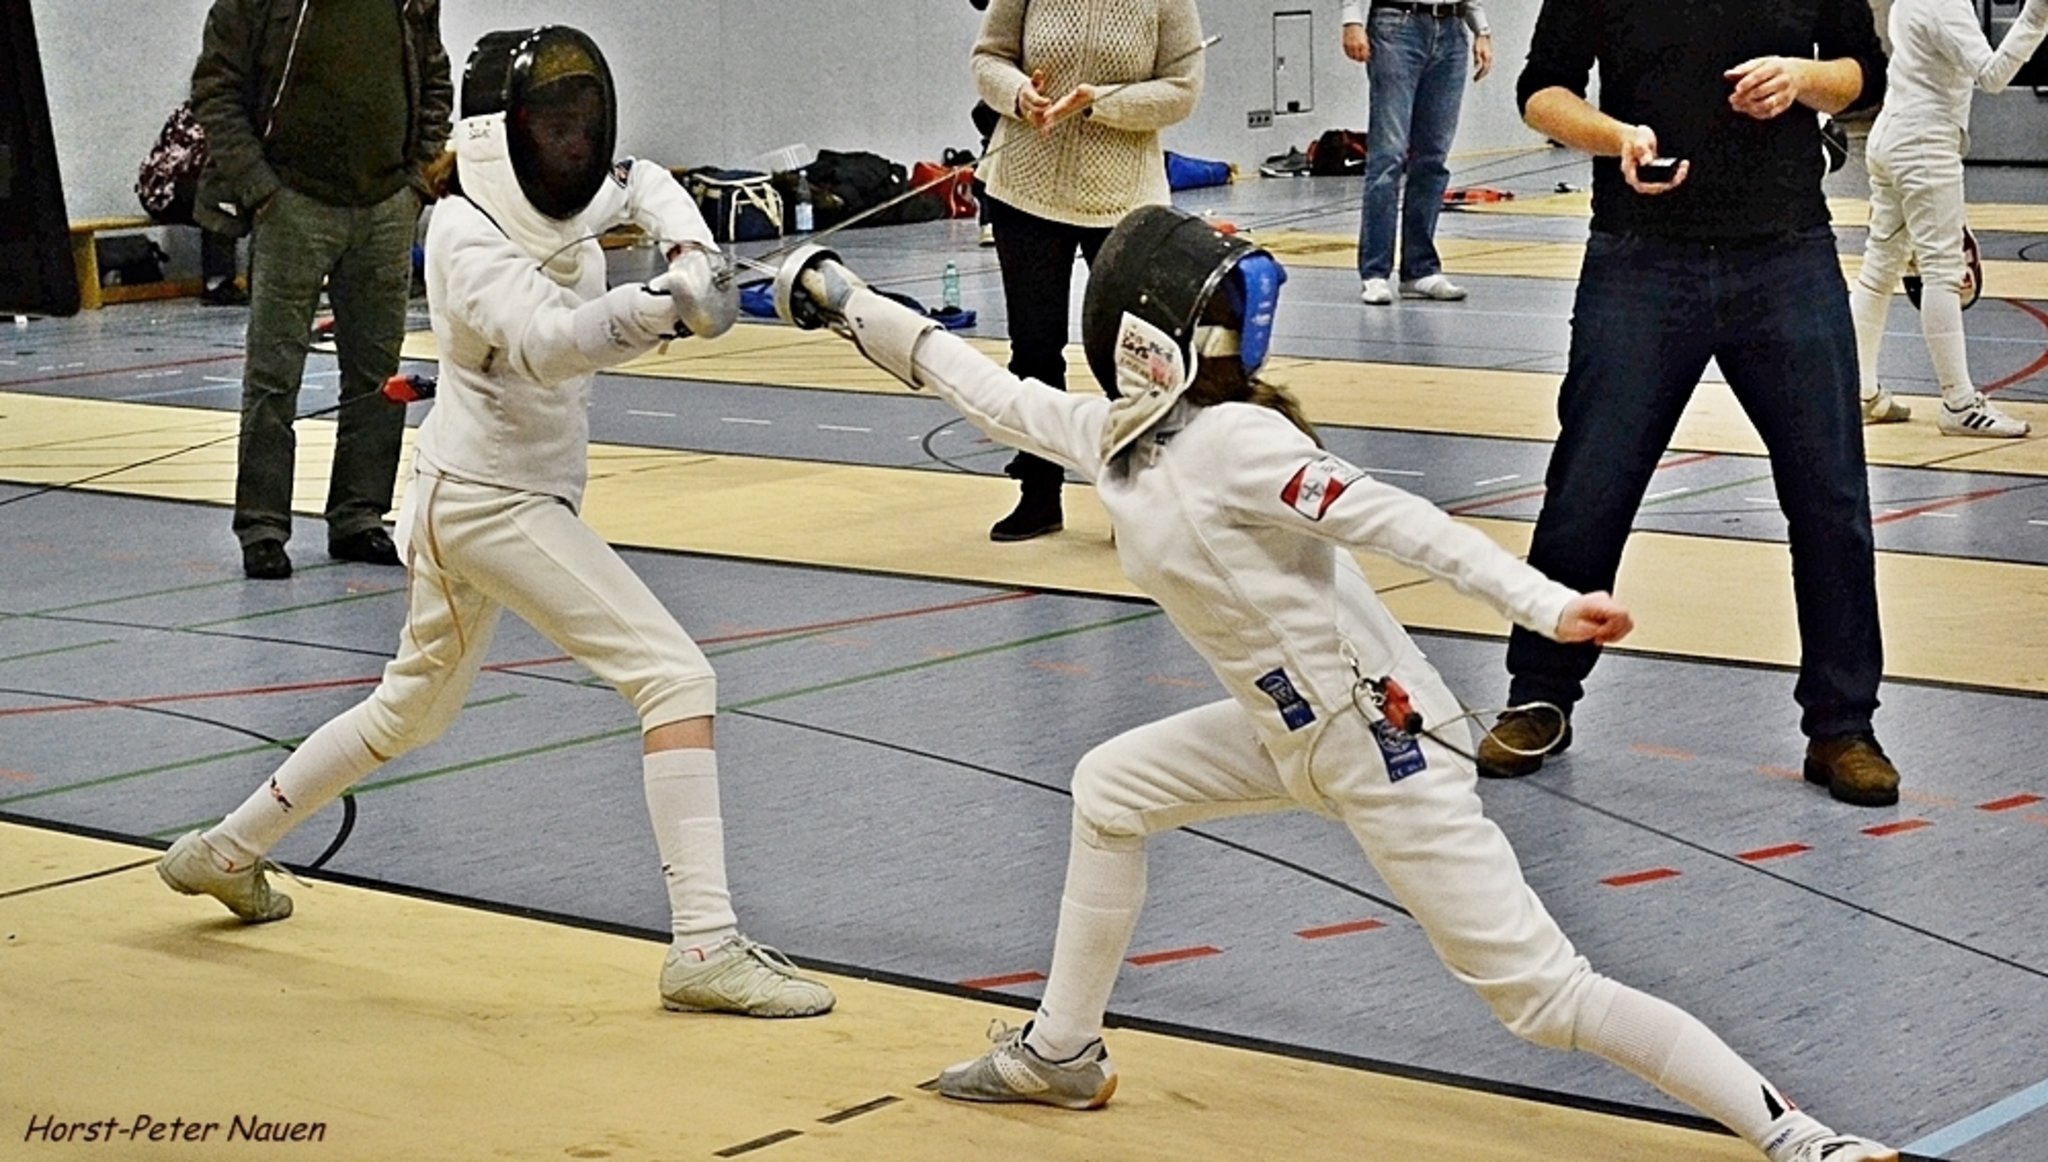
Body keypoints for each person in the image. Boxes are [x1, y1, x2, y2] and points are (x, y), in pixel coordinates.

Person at [769, 208, 1896, 1162]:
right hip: (1284, 728)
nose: (1229, 345)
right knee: (1109, 786)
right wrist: (842, 295)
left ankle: (1796, 1136)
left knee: (1541, 995)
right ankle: (1062, 1053)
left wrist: (1546, 607)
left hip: (1381, 745)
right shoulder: (1115, 439)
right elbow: (969, 379)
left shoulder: (1242, 442)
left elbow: (1394, 519)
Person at [159, 26, 835, 1021]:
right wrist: (659, 305)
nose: (575, 146)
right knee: (676, 675)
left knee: (408, 709)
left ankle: (222, 851)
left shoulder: (565, 185)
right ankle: (704, 944)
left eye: (582, 124)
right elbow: (547, 345)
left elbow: (643, 181)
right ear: (502, 131)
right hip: (488, 506)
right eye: (553, 127)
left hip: (469, 492)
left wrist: (689, 245)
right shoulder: (468, 234)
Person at [1480, 0, 1903, 809]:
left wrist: (1802, 80)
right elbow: (1543, 90)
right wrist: (1617, 138)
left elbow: (1861, 74)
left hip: (1786, 255)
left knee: (1831, 494)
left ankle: (1842, 725)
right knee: (1588, 487)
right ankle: (1540, 695)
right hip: (1641, 260)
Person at [189, 0, 451, 580]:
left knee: (378, 377)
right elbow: (216, 88)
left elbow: (435, 79)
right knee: (272, 375)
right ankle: (261, 527)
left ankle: (359, 516)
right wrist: (260, 189)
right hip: (291, 203)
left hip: (387, 205)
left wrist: (417, 183)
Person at [969, 0, 1205, 542]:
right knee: (1033, 350)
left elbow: (1182, 89)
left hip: (1126, 202)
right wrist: (1017, 93)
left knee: (1135, 364)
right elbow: (989, 58)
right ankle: (1038, 492)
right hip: (1022, 190)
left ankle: (1137, 502)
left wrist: (1100, 102)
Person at [1849, 0, 2045, 437]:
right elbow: (1992, 77)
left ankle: (1859, 392)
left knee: (1879, 269)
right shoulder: (1943, 2)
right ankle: (1959, 404)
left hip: (1893, 137)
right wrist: (2035, 17)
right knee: (1942, 270)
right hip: (1923, 143)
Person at [1340, 0, 1493, 306]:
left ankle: (1420, 270)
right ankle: (1375, 273)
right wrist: (1351, 20)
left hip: (1452, 26)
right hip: (1397, 24)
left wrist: (1481, 28)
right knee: (1389, 156)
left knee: (1433, 157)